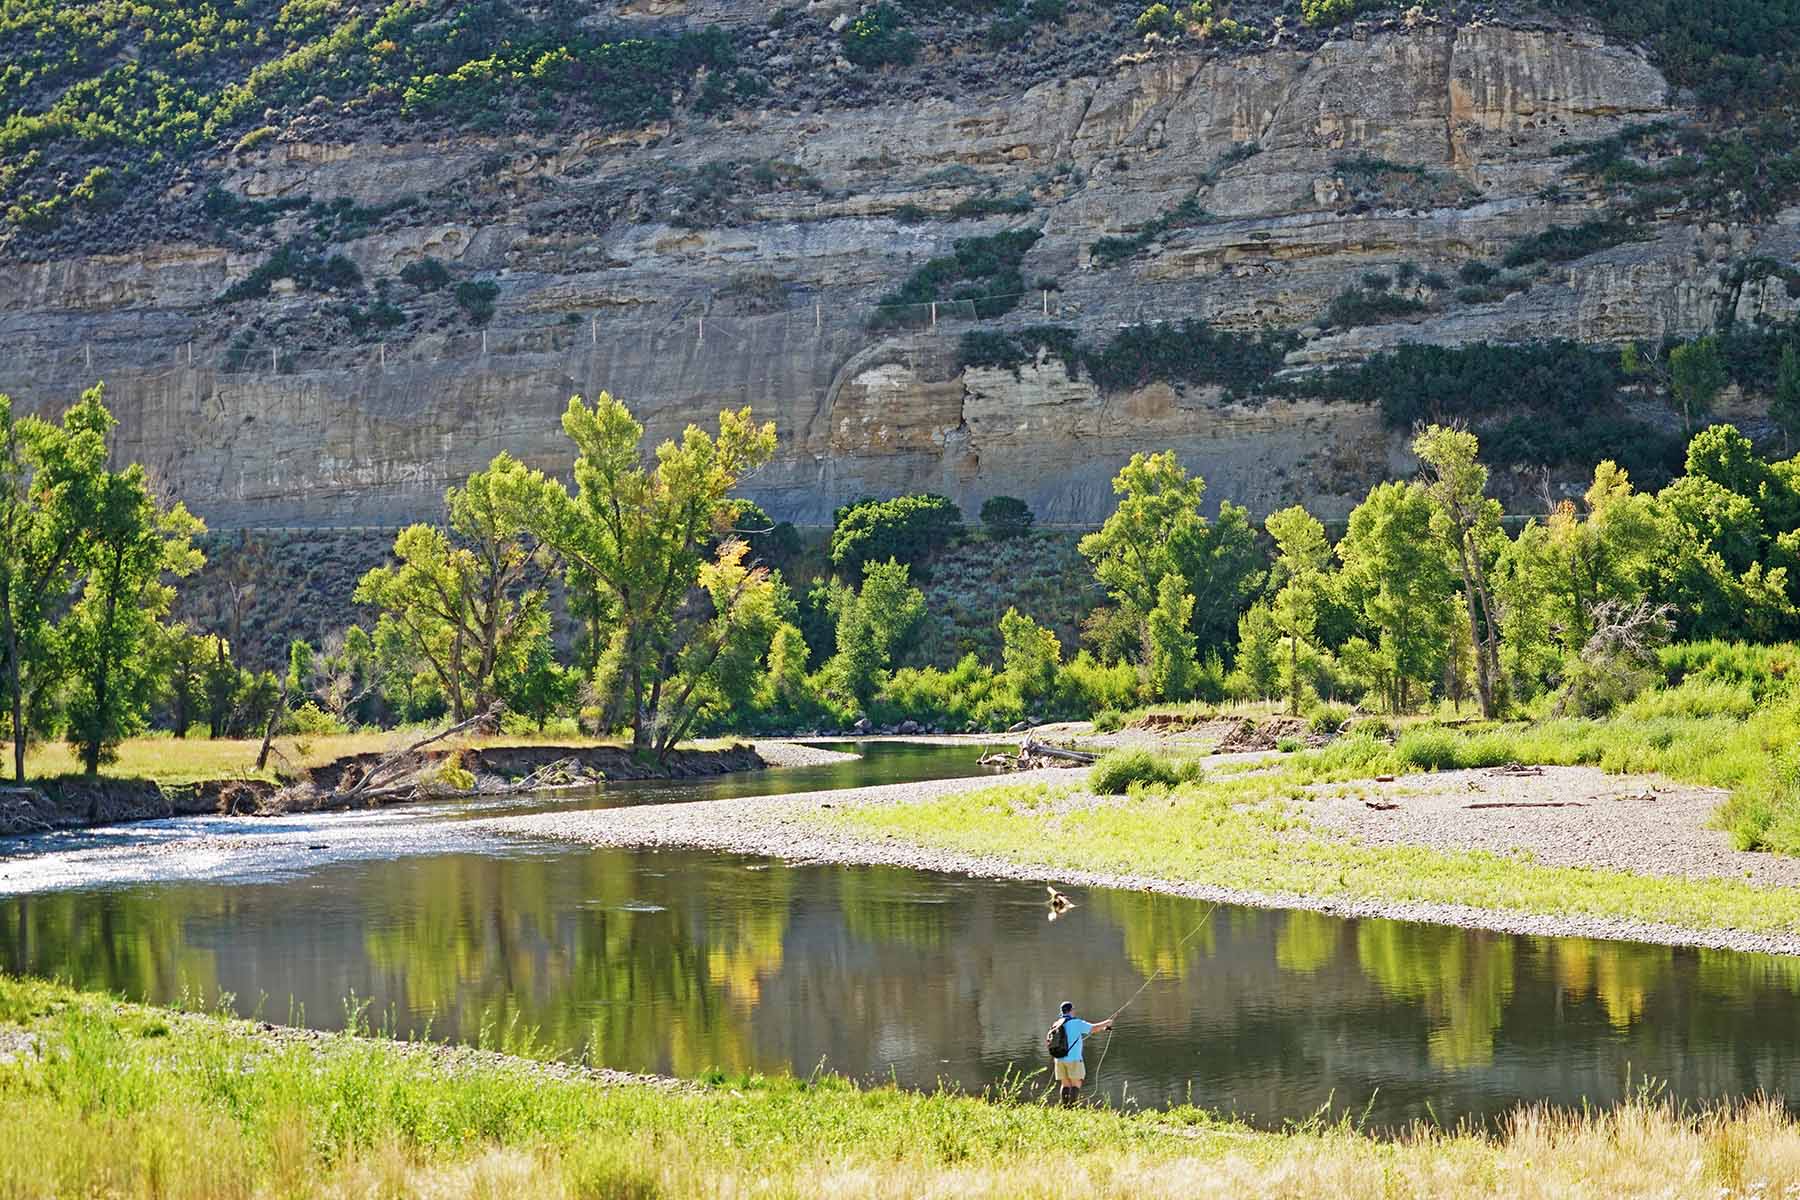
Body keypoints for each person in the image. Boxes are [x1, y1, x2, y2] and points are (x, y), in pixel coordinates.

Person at [1051, 1000, 1113, 1106]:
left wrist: (1103, 1028)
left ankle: (1065, 1107)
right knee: (1076, 1083)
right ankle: (1072, 1107)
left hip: (1059, 1058)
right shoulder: (1076, 1022)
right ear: (1071, 1010)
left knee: (1065, 1084)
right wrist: (1107, 1022)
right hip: (1074, 1059)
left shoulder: (1056, 1023)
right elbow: (1092, 1028)